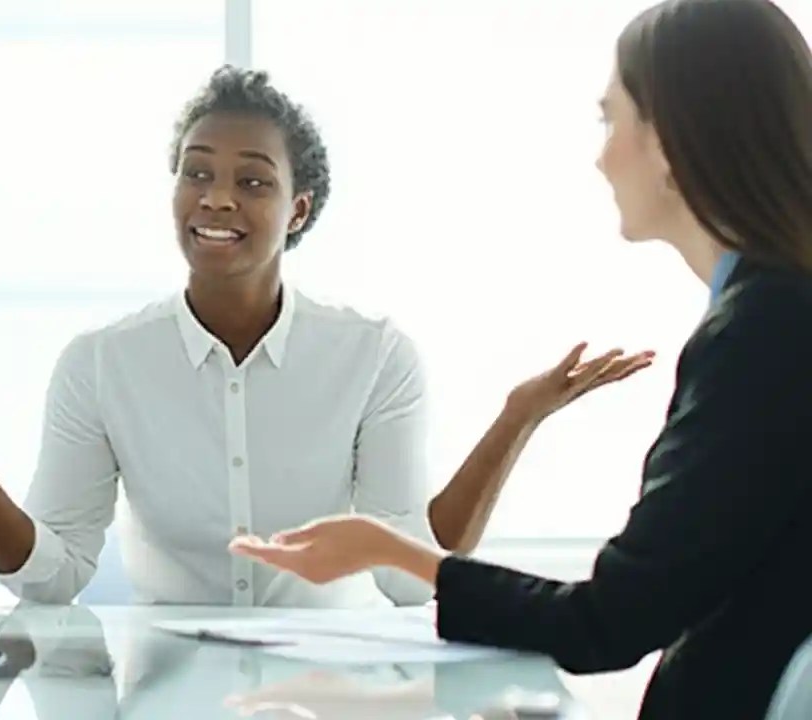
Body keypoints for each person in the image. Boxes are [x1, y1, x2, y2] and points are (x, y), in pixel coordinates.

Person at [0, 67, 650, 608]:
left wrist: (516, 419)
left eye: (253, 180)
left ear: (298, 209)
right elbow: (50, 577)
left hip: (326, 690)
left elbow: (410, 580)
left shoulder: (374, 356)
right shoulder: (100, 363)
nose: (217, 199)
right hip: (161, 688)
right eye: (196, 172)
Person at [229, 1, 812, 717]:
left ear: (667, 140)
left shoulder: (761, 335)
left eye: (610, 120)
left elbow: (607, 623)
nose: (600, 157)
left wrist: (398, 554)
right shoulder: (777, 317)